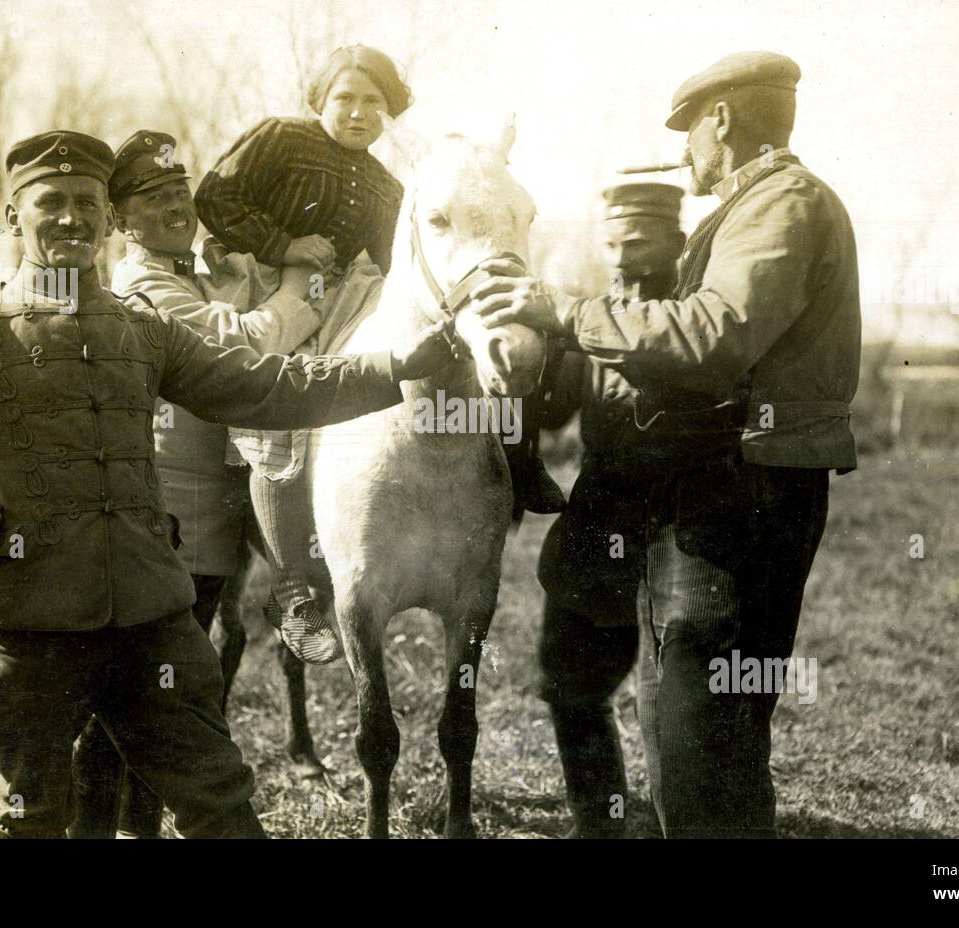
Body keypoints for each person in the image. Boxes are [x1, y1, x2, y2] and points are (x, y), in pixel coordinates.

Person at [0, 129, 454, 838]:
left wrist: (392, 366)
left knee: (223, 809)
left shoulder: (143, 329)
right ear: (13, 216)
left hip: (154, 623)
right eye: (50, 202)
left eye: (86, 202)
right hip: (31, 629)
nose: (70, 217)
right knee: (32, 821)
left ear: (107, 217)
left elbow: (264, 384)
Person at [470, 51, 861, 837]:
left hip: (744, 490)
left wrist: (567, 313)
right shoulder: (753, 206)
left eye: (691, 129)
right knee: (707, 718)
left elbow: (717, 334)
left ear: (722, 118)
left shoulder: (780, 203)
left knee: (697, 723)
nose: (687, 149)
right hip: (731, 484)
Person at [196, 45, 564, 664]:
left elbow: (407, 257)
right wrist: (284, 242)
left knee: (451, 351)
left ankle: (518, 461)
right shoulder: (281, 138)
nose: (359, 112)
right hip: (272, 282)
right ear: (321, 100)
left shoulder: (388, 183)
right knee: (287, 398)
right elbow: (216, 198)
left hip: (350, 291)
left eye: (374, 102)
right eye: (346, 98)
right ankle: (291, 586)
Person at [68, 129, 325, 839]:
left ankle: (134, 827)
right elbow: (240, 344)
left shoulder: (200, 272)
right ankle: (107, 829)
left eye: (181, 192)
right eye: (153, 199)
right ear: (121, 223)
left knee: (166, 688)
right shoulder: (140, 284)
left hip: (206, 517)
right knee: (131, 692)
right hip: (163, 514)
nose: (176, 206)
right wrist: (302, 281)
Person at [535, 183, 687, 837]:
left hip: (681, 524)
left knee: (675, 701)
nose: (623, 257)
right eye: (612, 244)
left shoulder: (698, 318)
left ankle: (671, 821)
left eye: (639, 242)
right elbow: (550, 413)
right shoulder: (590, 318)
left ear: (676, 243)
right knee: (569, 681)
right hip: (600, 517)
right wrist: (527, 353)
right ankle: (598, 822)